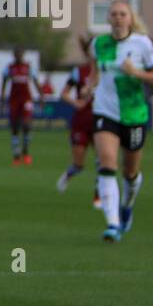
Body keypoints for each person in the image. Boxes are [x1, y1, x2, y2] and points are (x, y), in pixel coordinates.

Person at [89, 2, 153, 242]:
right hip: (105, 111)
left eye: (123, 14)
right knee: (107, 163)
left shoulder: (142, 44)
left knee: (130, 172)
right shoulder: (98, 44)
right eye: (113, 14)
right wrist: (87, 87)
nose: (118, 18)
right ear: (109, 19)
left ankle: (127, 205)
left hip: (133, 114)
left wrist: (136, 73)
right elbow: (94, 74)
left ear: (130, 18)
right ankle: (112, 224)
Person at [57, 33, 100, 208]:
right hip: (81, 122)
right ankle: (69, 174)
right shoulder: (79, 72)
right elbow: (64, 93)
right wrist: (77, 102)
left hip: (100, 121)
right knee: (79, 163)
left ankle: (98, 197)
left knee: (102, 162)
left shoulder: (106, 71)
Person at [1, 47, 40, 165]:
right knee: (14, 127)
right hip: (14, 100)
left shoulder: (28, 67)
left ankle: (26, 151)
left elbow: (35, 82)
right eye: (16, 54)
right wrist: (2, 101)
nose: (18, 56)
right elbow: (3, 84)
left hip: (26, 99)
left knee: (27, 125)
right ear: (13, 55)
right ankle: (16, 155)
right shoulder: (9, 68)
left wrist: (42, 96)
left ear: (23, 55)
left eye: (20, 54)